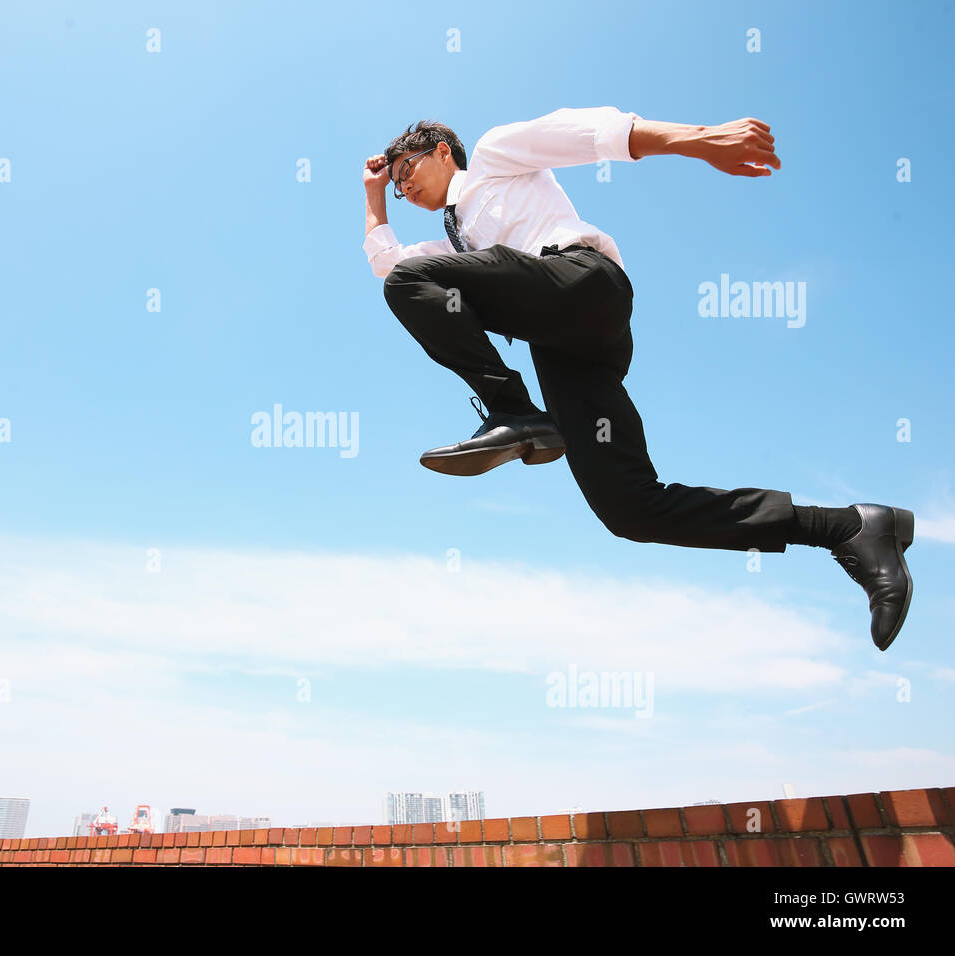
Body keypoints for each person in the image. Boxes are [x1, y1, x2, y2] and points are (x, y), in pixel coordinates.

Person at [361, 106, 914, 651]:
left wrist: (700, 140)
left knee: (418, 280)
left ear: (440, 151)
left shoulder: (493, 156)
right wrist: (375, 195)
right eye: (399, 187)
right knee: (629, 509)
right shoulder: (453, 245)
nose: (404, 187)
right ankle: (848, 527)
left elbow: (593, 133)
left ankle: (517, 414)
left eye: (405, 170)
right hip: (568, 347)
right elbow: (391, 268)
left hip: (581, 281)